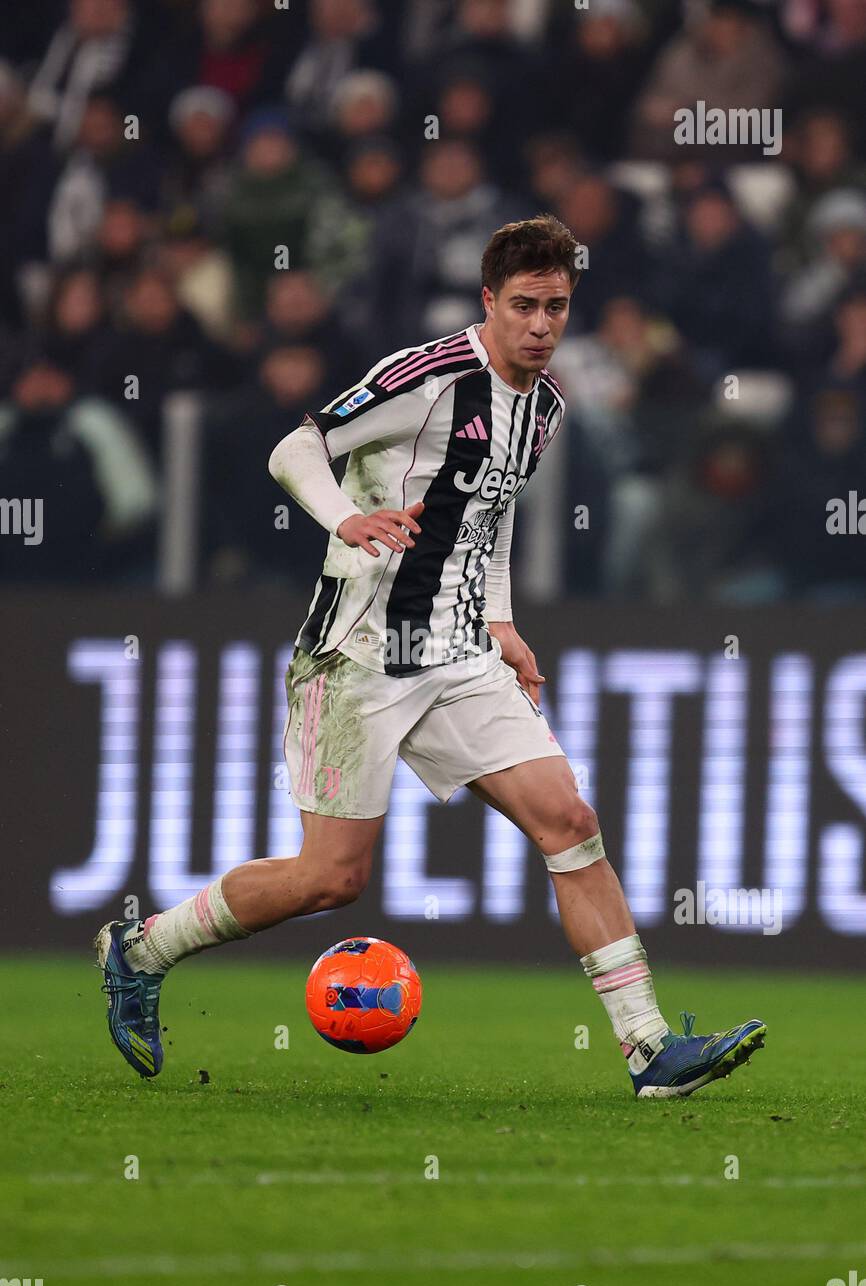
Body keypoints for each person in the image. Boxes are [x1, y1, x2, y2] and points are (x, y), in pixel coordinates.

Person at [95, 214, 766, 1098]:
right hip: (359, 655)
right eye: (523, 305)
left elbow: (486, 521)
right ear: (488, 301)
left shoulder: (546, 406)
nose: (540, 324)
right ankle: (141, 952)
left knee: (569, 823)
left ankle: (649, 1051)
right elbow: (294, 448)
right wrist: (347, 519)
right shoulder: (427, 377)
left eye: (557, 307)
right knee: (330, 879)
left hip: (456, 654)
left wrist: (504, 620)